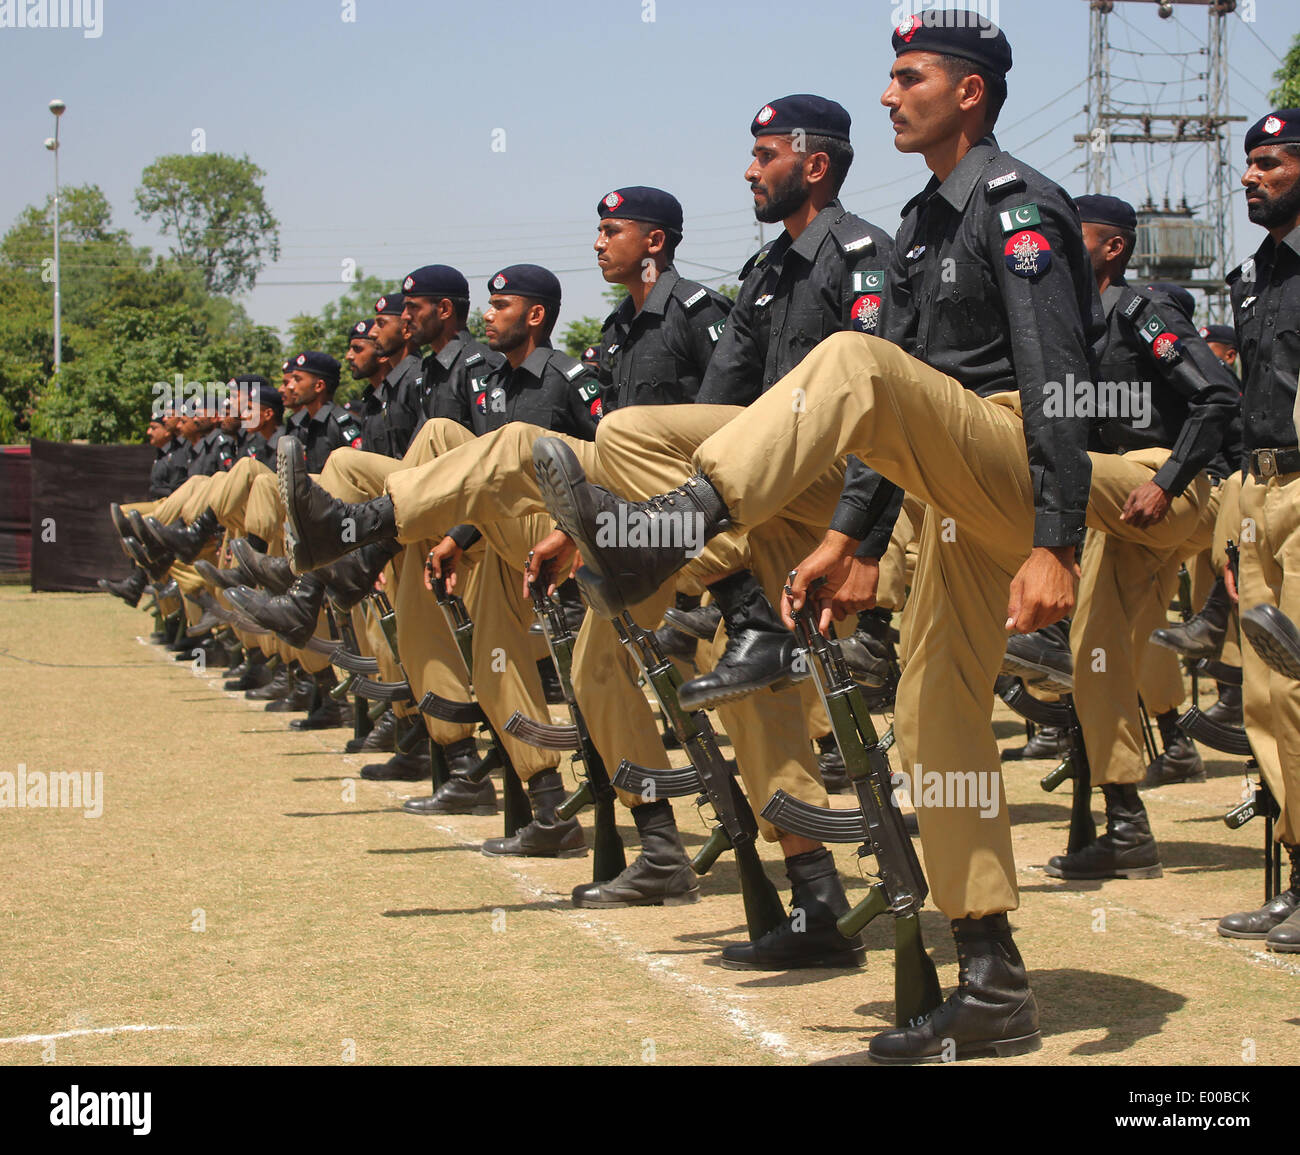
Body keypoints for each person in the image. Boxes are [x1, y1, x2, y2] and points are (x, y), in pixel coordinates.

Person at [528, 14, 1109, 1060]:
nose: (888, 96)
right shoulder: (927, 222)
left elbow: (1055, 372)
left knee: (854, 360)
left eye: (908, 77)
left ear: (967, 92)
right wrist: (854, 539)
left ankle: (681, 528)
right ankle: (992, 978)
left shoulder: (1015, 202)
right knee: (933, 729)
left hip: (1019, 460)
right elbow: (895, 425)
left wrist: (1055, 539)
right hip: (950, 489)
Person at [1212, 108, 1300, 953]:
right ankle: (1297, 872)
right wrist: (1238, 516)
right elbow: (1247, 405)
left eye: (1271, 162)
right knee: (1268, 694)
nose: (1252, 176)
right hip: (1259, 489)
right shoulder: (1257, 274)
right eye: (1249, 165)